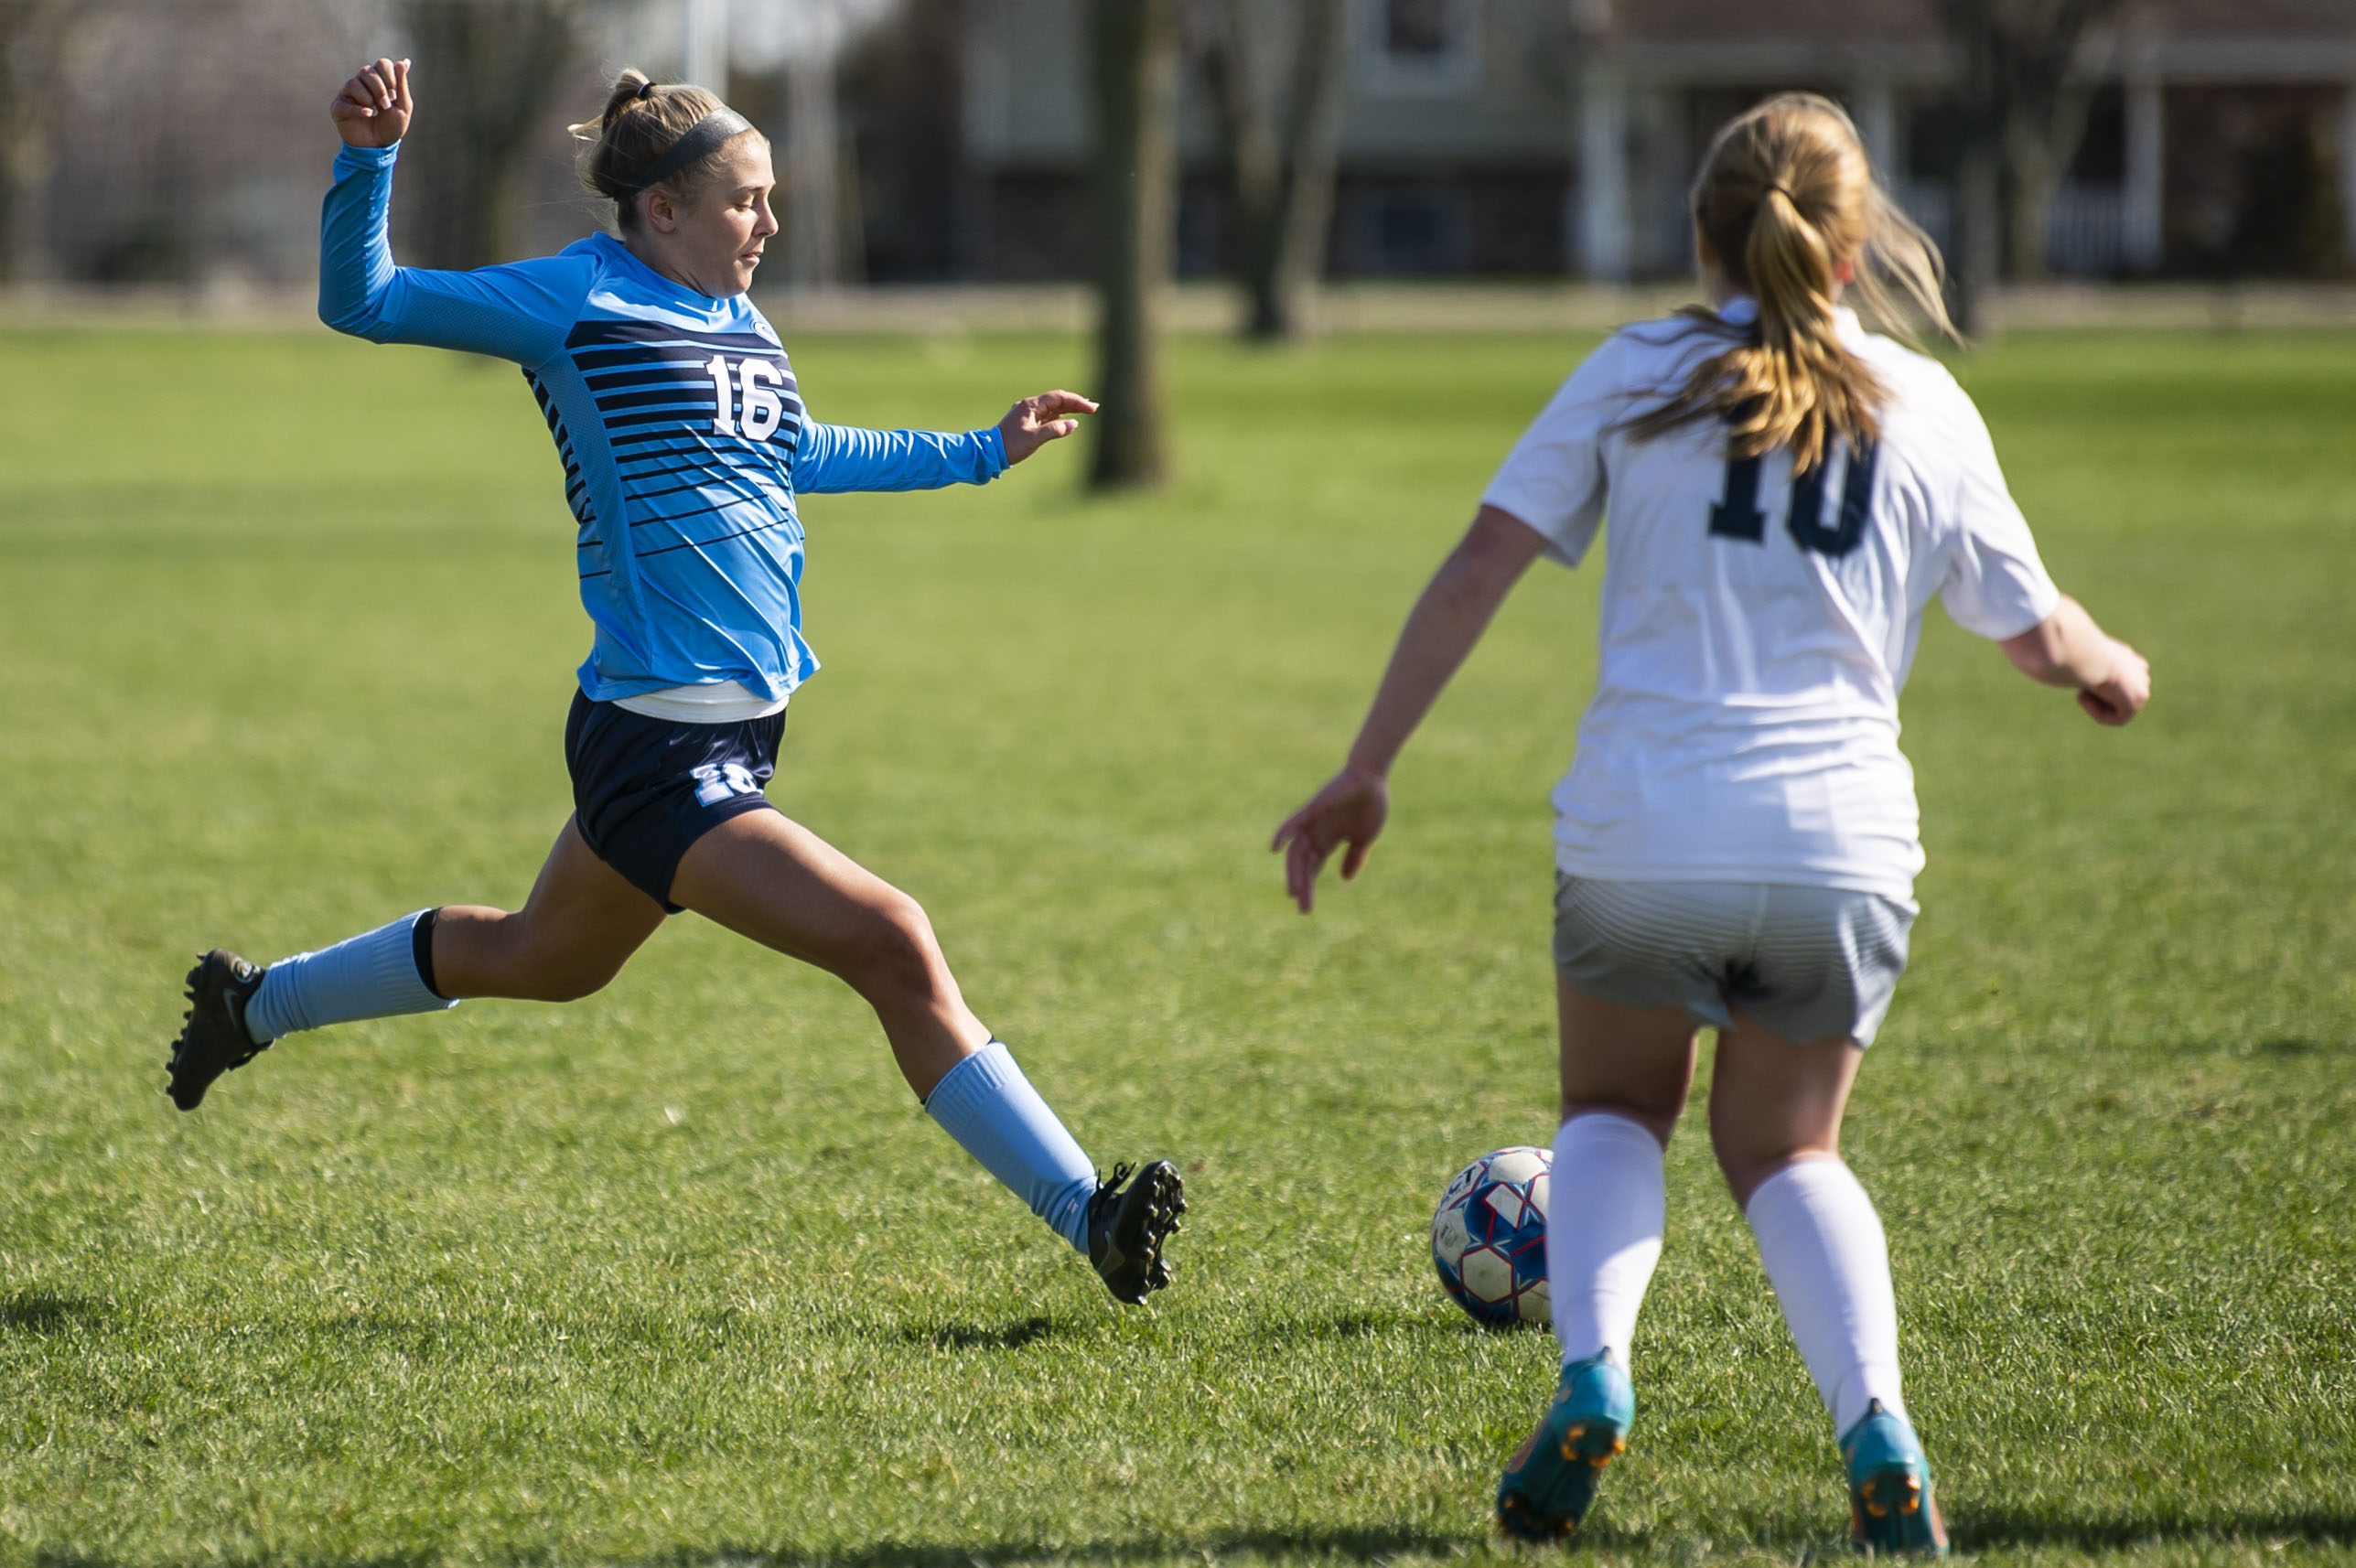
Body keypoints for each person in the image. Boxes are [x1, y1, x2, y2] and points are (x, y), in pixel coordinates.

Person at [1273, 93, 2148, 1549]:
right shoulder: (1926, 404)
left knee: (1617, 1113)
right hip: (1844, 847)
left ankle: (1597, 1376)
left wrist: (1368, 762)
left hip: (1645, 828)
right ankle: (1877, 1421)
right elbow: (2038, 629)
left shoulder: (1638, 371)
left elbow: (1480, 564)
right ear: (1858, 243)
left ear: (1701, 231)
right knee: (1793, 1153)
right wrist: (2108, 664)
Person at [167, 59, 1184, 1307]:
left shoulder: (745, 324)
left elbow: (799, 450)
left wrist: (984, 448)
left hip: (729, 740)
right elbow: (364, 301)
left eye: (770, 198)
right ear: (665, 211)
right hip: (659, 751)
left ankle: (251, 1006)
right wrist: (369, 161)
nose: (771, 221)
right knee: (894, 938)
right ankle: (1088, 1208)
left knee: (543, 956)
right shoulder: (574, 304)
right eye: (749, 199)